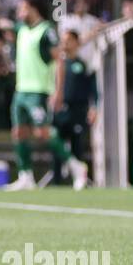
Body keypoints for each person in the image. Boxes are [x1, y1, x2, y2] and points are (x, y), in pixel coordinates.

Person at [5, 0, 81, 190]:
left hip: (38, 90)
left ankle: (76, 166)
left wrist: (58, 90)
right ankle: (26, 176)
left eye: (23, 8)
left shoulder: (46, 31)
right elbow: (3, 26)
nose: (20, 12)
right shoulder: (21, 30)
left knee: (43, 132)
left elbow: (59, 62)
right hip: (21, 90)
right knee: (19, 132)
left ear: (33, 8)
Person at [52, 29, 97, 190]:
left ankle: (79, 179)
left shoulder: (83, 64)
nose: (65, 44)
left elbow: (93, 89)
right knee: (56, 144)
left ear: (76, 42)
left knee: (77, 144)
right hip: (61, 110)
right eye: (63, 40)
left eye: (69, 40)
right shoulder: (58, 64)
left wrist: (94, 107)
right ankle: (57, 181)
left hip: (78, 110)